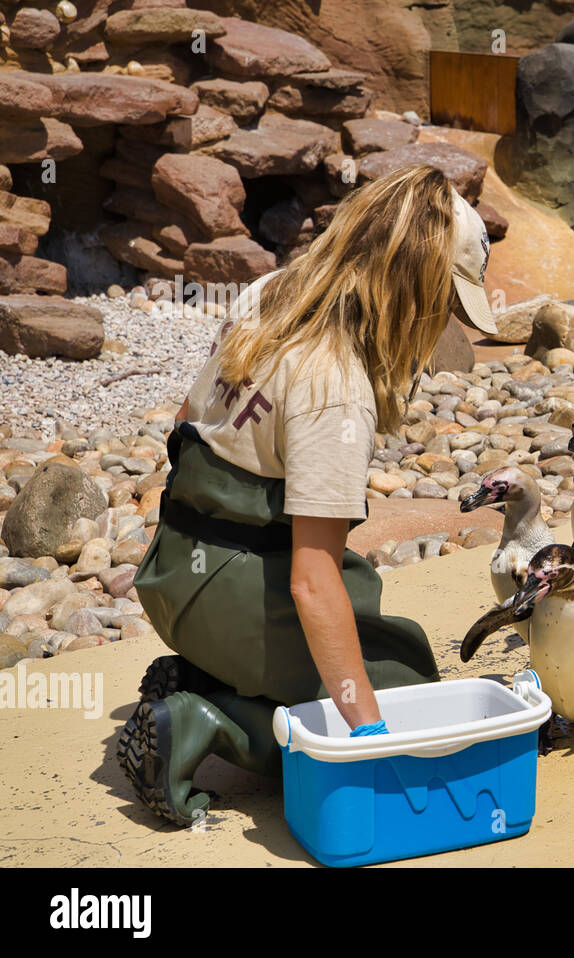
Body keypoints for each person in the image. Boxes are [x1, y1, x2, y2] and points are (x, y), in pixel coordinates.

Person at [118, 164, 500, 827]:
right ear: (412, 284)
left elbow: (188, 420)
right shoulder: (338, 386)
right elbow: (311, 583)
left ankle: (207, 675)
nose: (444, 325)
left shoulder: (275, 293)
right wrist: (372, 736)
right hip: (234, 594)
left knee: (393, 640)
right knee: (403, 690)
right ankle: (209, 720)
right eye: (445, 302)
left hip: (175, 568)